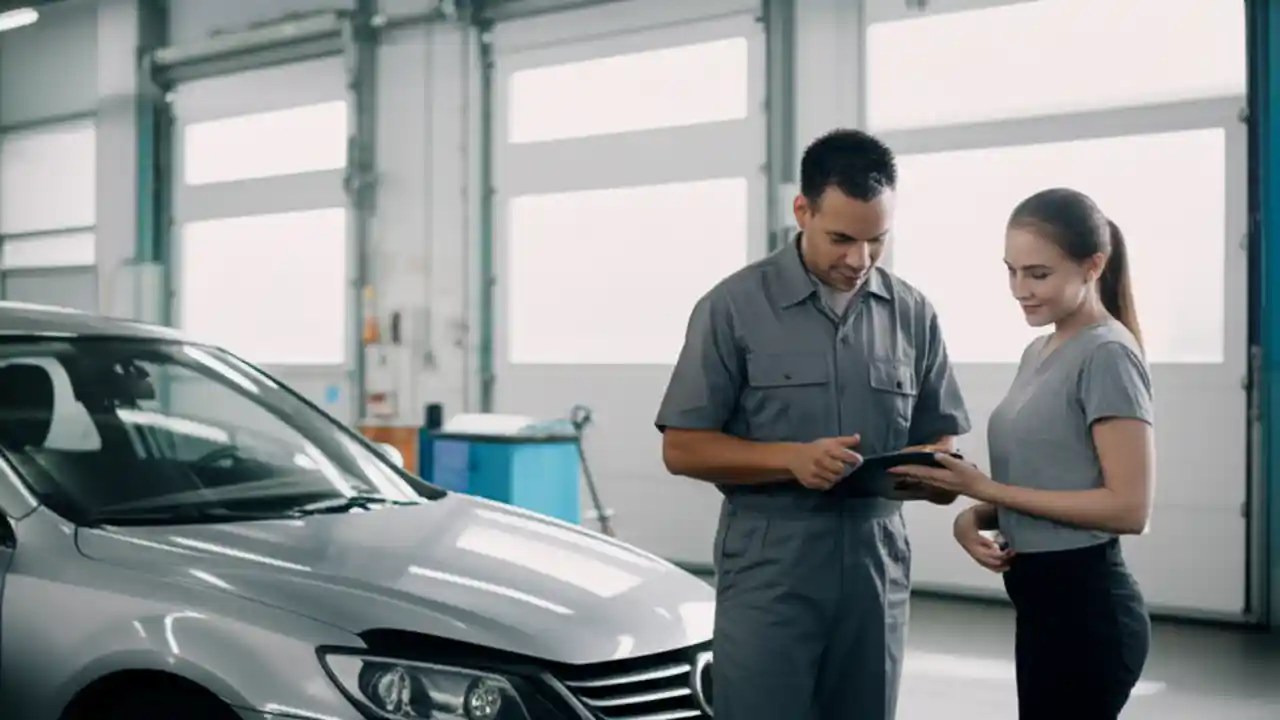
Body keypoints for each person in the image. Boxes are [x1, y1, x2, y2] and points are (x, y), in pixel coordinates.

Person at [654, 128, 971, 720]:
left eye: (877, 240)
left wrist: (929, 470)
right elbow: (683, 448)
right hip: (773, 559)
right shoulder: (732, 308)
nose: (859, 260)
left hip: (878, 555)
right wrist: (789, 459)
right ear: (802, 210)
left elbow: (940, 431)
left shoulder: (912, 313)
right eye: (841, 238)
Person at [890, 187, 1155, 719]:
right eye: (1010, 271)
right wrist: (974, 515)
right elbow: (1055, 476)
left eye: (1038, 274)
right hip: (1039, 605)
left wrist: (983, 489)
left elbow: (1129, 509)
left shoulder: (1107, 354)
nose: (1019, 289)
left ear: (1093, 266)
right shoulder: (1041, 348)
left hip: (1087, 611)